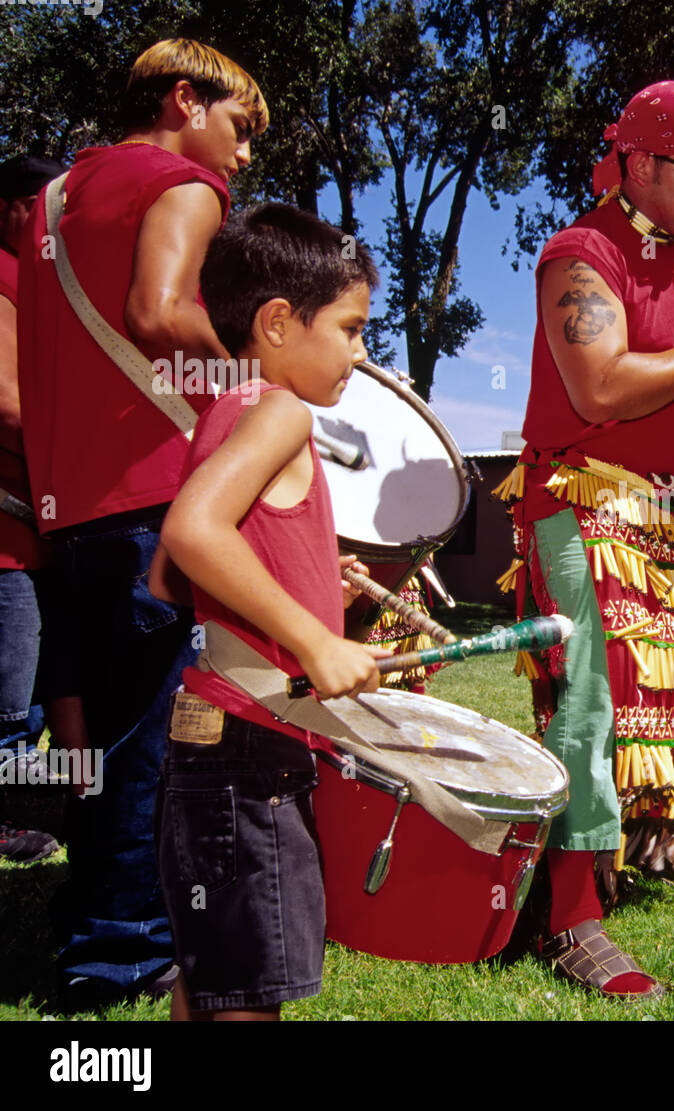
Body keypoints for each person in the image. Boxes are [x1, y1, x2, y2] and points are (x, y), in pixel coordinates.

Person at [493, 80, 674, 999]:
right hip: (577, 493)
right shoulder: (580, 254)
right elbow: (604, 388)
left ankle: (653, 833)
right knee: (594, 691)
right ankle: (570, 915)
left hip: (666, 498)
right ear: (644, 164)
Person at [16, 39, 268, 1007]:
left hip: (66, 510)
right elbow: (159, 315)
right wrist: (263, 373)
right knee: (168, 746)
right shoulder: (183, 184)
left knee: (103, 745)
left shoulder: (49, 202)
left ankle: (95, 919)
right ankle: (123, 951)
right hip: (156, 500)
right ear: (182, 100)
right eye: (239, 128)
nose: (241, 157)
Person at [153, 202, 385, 1021]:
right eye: (352, 328)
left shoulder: (219, 412)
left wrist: (316, 573)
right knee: (250, 992)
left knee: (212, 973)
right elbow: (191, 533)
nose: (363, 352)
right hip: (255, 750)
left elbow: (168, 578)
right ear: (280, 322)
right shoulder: (282, 412)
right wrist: (315, 636)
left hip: (206, 745)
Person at [0, 155, 68, 863]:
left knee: (47, 684)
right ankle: (7, 816)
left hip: (41, 530)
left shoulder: (51, 284)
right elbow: (9, 400)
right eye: (47, 206)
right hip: (7, 536)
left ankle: (32, 800)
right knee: (9, 690)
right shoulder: (4, 275)